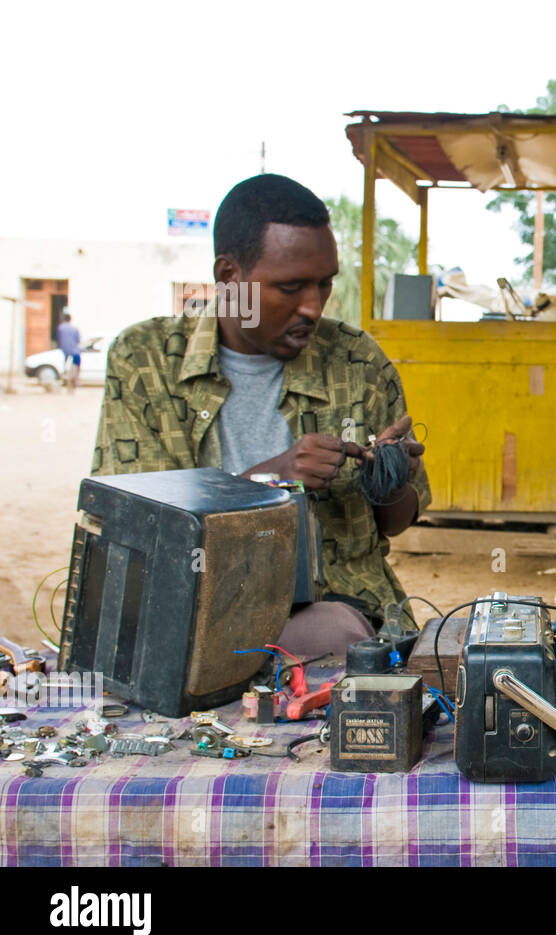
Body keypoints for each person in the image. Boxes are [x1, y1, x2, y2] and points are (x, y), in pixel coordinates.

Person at [91, 173, 431, 656]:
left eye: (325, 284)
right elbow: (136, 528)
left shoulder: (357, 360)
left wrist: (393, 477)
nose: (313, 307)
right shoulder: (146, 360)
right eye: (291, 287)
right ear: (229, 276)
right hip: (194, 604)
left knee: (336, 633)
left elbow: (395, 522)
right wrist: (270, 480)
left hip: (342, 607)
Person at [57, 312, 81, 392]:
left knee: (65, 369)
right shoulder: (75, 329)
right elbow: (78, 340)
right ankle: (75, 381)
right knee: (76, 368)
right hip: (75, 352)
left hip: (65, 352)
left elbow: (59, 339)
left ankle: (66, 382)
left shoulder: (60, 328)